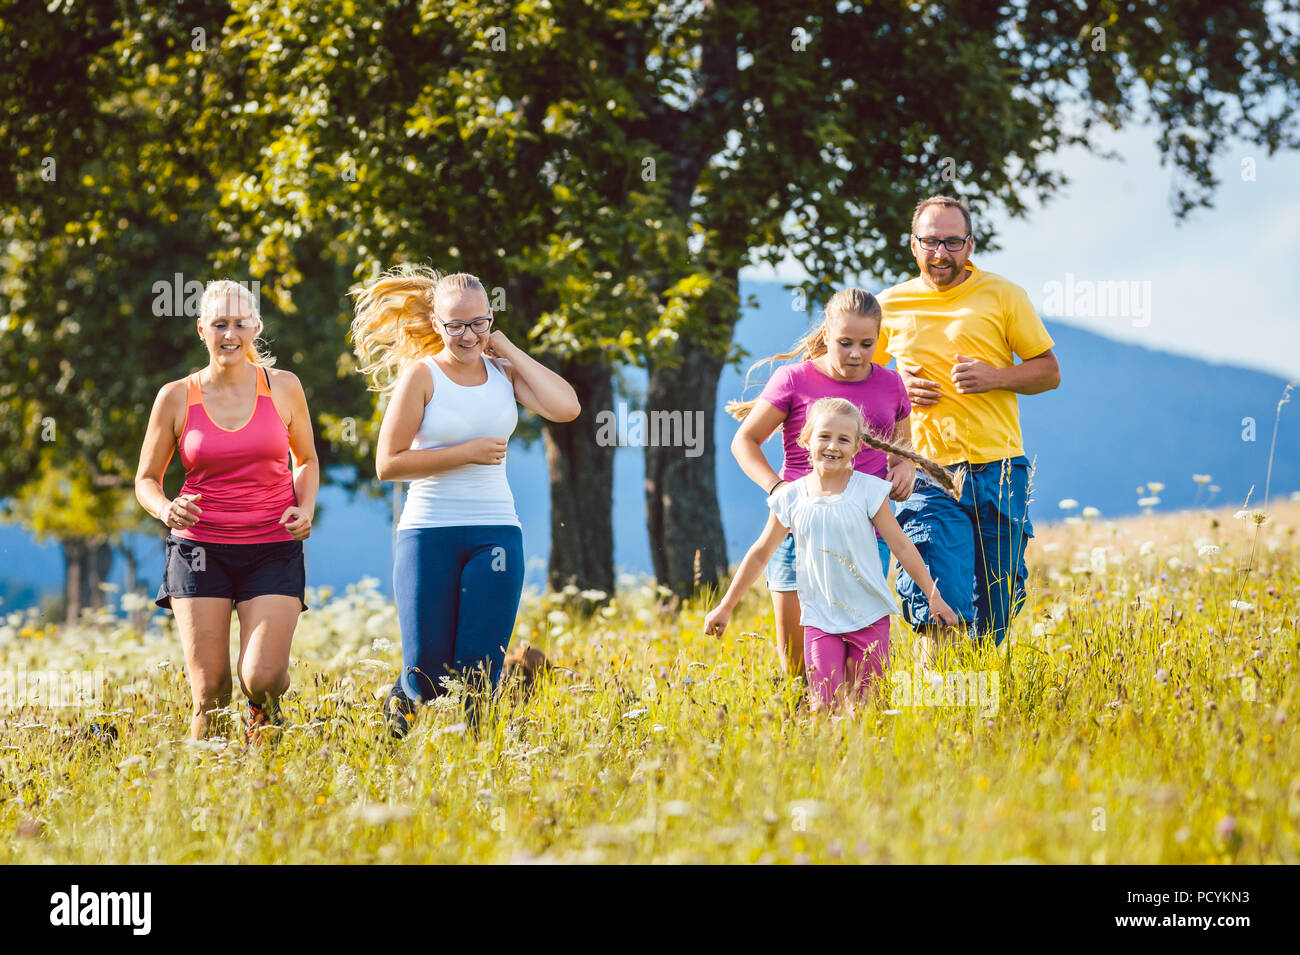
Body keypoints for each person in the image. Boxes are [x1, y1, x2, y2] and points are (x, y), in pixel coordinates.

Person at [349, 265, 581, 738]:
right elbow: (387, 463)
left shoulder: (503, 372)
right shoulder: (422, 376)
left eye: (478, 322)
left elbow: (567, 407)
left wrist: (508, 349)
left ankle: (479, 765)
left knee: (479, 674)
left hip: (495, 532)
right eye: (455, 324)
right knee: (426, 676)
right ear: (437, 325)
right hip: (427, 531)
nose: (468, 334)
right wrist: (464, 454)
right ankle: (390, 743)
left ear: (490, 320)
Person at [875, 196, 1061, 652]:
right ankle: (934, 711)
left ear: (970, 244)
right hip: (925, 473)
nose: (942, 253)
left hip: (999, 470)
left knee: (996, 607)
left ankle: (975, 712)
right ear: (913, 244)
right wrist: (897, 382)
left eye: (953, 242)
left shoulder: (1004, 295)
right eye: (931, 241)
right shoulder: (889, 305)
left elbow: (1049, 371)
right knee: (938, 601)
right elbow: (855, 379)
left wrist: (996, 377)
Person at [135, 280, 318, 743]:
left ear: (255, 326)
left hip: (272, 548)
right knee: (211, 692)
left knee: (263, 678)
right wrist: (166, 509)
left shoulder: (284, 387)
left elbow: (308, 460)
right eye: (220, 324)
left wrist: (305, 507)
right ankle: (208, 798)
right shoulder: (176, 396)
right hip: (199, 552)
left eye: (240, 323)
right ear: (202, 330)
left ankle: (264, 770)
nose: (230, 334)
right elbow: (146, 480)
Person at [705, 399, 959, 711]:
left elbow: (901, 545)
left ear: (856, 448)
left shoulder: (869, 490)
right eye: (824, 436)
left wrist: (933, 596)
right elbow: (760, 554)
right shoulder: (790, 497)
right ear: (806, 440)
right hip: (819, 620)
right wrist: (726, 606)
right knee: (823, 707)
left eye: (843, 439)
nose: (832, 446)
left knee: (869, 708)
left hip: (869, 618)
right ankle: (827, 757)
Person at [727, 288, 914, 677]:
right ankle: (806, 732)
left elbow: (901, 450)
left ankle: (856, 733)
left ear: (879, 339)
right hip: (797, 530)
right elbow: (744, 441)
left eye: (867, 343)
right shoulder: (793, 379)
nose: (857, 354)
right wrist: (777, 489)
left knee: (855, 664)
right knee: (800, 666)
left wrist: (904, 469)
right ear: (826, 334)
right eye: (845, 343)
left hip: (865, 533)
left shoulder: (892, 384)